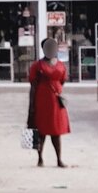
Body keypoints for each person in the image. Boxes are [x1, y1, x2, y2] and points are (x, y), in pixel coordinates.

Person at [28, 37, 71, 168]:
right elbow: (33, 86)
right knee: (41, 131)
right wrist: (31, 106)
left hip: (56, 101)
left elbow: (62, 80)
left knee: (56, 131)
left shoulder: (60, 65)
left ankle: (59, 159)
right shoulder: (37, 66)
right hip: (42, 100)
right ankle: (40, 158)